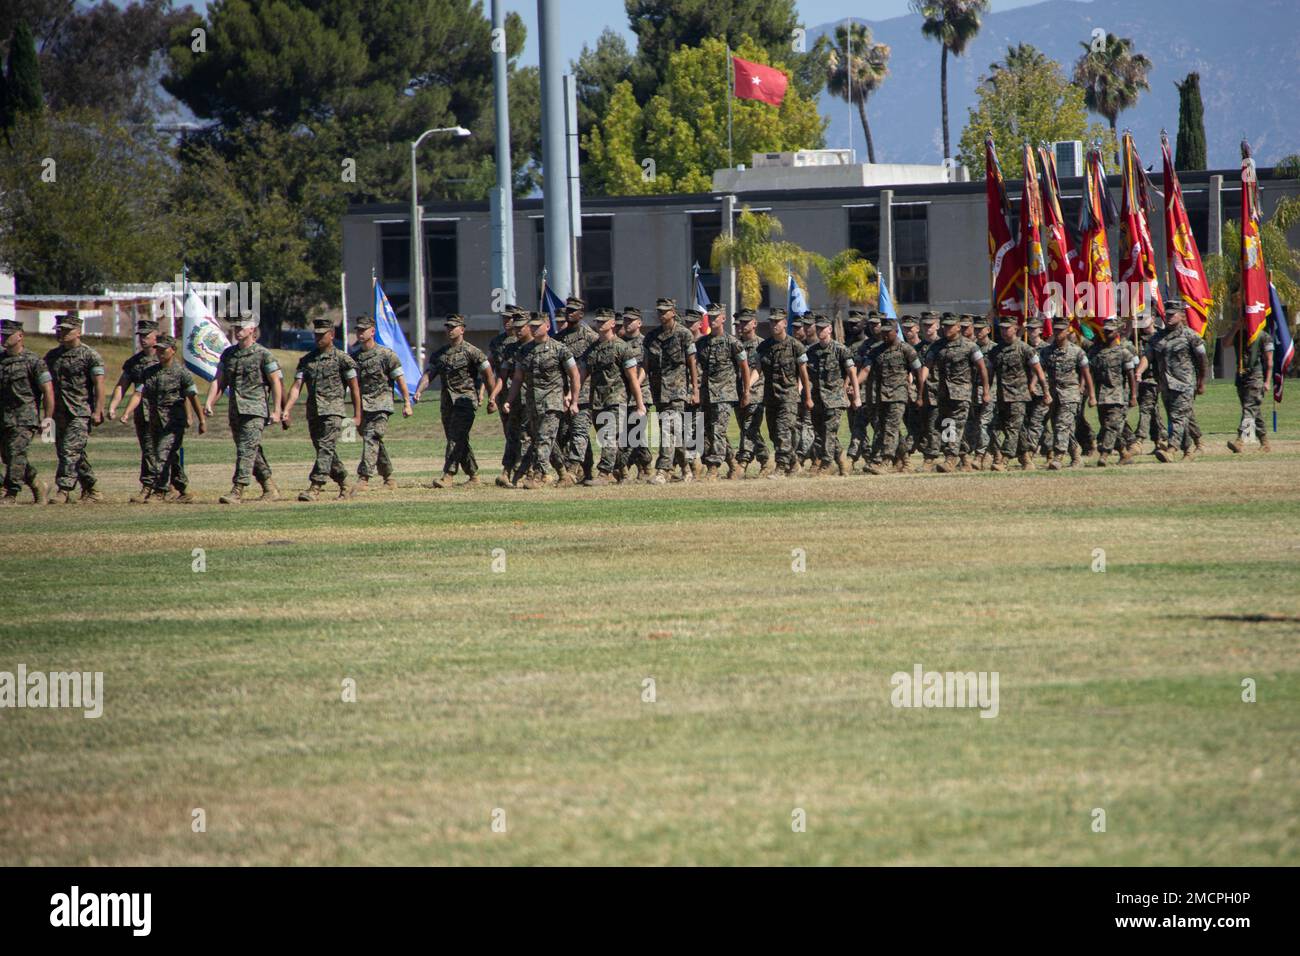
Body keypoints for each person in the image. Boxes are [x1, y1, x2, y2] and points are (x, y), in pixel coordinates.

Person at [206, 309, 283, 504]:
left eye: (241, 327)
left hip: (255, 410)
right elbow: (219, 381)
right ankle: (269, 487)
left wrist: (277, 410)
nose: (237, 330)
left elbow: (275, 382)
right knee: (250, 450)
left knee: (245, 450)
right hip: (235, 411)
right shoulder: (229, 354)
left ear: (252, 329)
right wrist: (209, 402)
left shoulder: (263, 354)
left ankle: (237, 489)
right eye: (235, 327)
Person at [119, 333, 205, 502]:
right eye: (157, 349)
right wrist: (127, 412)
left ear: (173, 350)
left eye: (163, 350)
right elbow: (138, 394)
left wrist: (201, 420)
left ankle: (158, 491)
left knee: (161, 454)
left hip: (174, 423)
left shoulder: (182, 373)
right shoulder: (149, 372)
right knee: (170, 457)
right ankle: (183, 489)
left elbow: (193, 397)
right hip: (155, 422)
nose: (159, 353)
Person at [282, 317, 362, 500]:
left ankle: (315, 487)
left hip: (333, 412)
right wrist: (287, 409)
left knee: (325, 448)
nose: (318, 338)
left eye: (322, 335)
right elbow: (296, 387)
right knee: (325, 451)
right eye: (315, 334)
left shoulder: (343, 359)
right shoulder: (307, 361)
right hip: (313, 412)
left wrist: (357, 415)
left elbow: (355, 389)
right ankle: (344, 483)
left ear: (332, 335)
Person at [414, 314, 495, 487]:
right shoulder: (440, 354)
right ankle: (474, 476)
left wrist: (492, 397)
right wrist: (419, 390)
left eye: (453, 327)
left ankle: (448, 475)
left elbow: (488, 375)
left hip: (465, 400)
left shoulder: (472, 352)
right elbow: (429, 374)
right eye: (448, 327)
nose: (450, 330)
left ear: (462, 329)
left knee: (455, 436)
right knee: (458, 438)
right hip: (447, 403)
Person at [503, 312, 580, 489]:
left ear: (548, 326)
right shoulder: (524, 351)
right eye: (533, 325)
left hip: (552, 402)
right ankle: (563, 474)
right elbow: (517, 378)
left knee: (544, 438)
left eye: (538, 325)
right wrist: (509, 400)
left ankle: (539, 475)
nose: (535, 328)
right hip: (532, 404)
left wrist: (573, 400)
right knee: (544, 440)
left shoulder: (559, 349)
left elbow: (574, 375)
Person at [44, 312, 107, 503]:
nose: (61, 334)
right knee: (69, 452)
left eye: (66, 330)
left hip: (80, 412)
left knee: (70, 451)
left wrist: (98, 410)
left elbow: (99, 385)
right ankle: (92, 489)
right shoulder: (52, 356)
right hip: (59, 413)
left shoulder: (90, 355)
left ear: (78, 331)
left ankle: (63, 490)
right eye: (59, 330)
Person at [1137, 299, 1207, 462]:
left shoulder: (1190, 336)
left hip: (1184, 384)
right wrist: (1139, 371)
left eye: (1172, 315)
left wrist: (1201, 382)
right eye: (1166, 314)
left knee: (1177, 417)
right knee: (1184, 417)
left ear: (1182, 316)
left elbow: (1203, 360)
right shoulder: (1157, 337)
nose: (1168, 317)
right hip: (1165, 385)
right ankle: (1191, 449)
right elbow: (1148, 356)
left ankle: (1171, 449)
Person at [107, 318, 170, 500]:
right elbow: (122, 385)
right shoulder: (134, 362)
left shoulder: (164, 359)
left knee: (166, 451)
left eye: (146, 336)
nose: (142, 339)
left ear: (155, 336)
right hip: (142, 414)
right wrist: (113, 407)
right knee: (149, 450)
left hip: (164, 413)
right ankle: (150, 486)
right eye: (140, 336)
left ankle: (173, 485)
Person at [350, 313, 412, 494]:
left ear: (372, 331)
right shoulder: (355, 358)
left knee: (372, 436)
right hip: (363, 407)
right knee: (375, 441)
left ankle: (364, 478)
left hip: (382, 404)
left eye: (363, 330)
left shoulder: (386, 355)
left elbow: (400, 379)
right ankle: (389, 477)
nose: (360, 333)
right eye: (358, 330)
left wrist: (407, 403)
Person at [582, 308, 644, 485]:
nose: (600, 324)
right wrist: (572, 395)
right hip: (598, 400)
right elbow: (582, 374)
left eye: (603, 321)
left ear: (612, 324)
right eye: (598, 321)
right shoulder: (592, 349)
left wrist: (640, 404)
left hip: (616, 399)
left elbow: (633, 378)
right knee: (605, 439)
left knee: (610, 436)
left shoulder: (622, 347)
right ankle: (621, 471)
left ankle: (603, 474)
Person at [642, 298, 699, 485]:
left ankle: (663, 470)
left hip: (678, 389)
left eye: (665, 311)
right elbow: (646, 366)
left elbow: (692, 364)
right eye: (659, 311)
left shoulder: (684, 334)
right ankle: (686, 467)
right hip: (658, 390)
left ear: (673, 312)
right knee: (675, 432)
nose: (661, 314)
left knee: (669, 428)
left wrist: (694, 390)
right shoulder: (651, 337)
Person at [858, 317, 924, 474]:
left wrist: (920, 396)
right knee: (885, 428)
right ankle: (906, 461)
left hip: (899, 395)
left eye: (888, 333)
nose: (885, 335)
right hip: (881, 396)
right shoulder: (876, 351)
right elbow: (866, 370)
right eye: (883, 333)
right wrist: (854, 385)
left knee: (891, 428)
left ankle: (886, 461)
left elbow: (919, 374)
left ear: (896, 332)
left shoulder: (906, 349)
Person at [0, 319, 54, 505]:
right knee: (9, 457)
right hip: (3, 417)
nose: (4, 338)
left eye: (8, 335)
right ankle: (37, 483)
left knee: (16, 453)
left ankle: (11, 493)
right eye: (2, 334)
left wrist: (47, 419)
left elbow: (48, 391)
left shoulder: (34, 361)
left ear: (20, 336)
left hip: (25, 417)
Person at [987, 316, 1049, 471]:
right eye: (1001, 328)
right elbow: (989, 374)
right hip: (1001, 396)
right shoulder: (996, 350)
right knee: (1017, 429)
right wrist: (987, 392)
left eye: (1007, 328)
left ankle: (1004, 460)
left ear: (1015, 328)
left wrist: (1046, 392)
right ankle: (1026, 459)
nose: (1003, 331)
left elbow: (1039, 372)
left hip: (1019, 396)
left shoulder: (1025, 349)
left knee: (1013, 429)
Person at [757, 307, 812, 477]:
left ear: (784, 323)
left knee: (783, 431)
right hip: (770, 396)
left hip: (788, 396)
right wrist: (748, 386)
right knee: (774, 433)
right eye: (771, 321)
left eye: (777, 322)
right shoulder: (764, 346)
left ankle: (780, 467)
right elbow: (757, 369)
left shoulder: (796, 346)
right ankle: (794, 463)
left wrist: (808, 397)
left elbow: (804, 374)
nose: (773, 324)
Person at [696, 305, 750, 480]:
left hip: (725, 394)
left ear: (723, 319)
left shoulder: (733, 343)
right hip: (707, 394)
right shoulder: (702, 343)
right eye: (709, 317)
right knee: (710, 431)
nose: (712, 320)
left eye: (715, 317)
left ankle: (713, 466)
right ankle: (733, 464)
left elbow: (744, 368)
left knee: (718, 430)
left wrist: (746, 391)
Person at [933, 313, 989, 473]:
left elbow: (982, 368)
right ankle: (965, 460)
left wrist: (985, 391)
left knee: (955, 425)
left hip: (962, 394)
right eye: (945, 326)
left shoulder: (970, 346)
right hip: (943, 394)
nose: (947, 329)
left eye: (950, 326)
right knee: (946, 425)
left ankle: (950, 459)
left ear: (958, 327)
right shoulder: (938, 346)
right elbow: (927, 365)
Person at [805, 315, 859, 476]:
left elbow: (852, 372)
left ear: (830, 329)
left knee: (829, 430)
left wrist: (856, 396)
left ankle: (827, 464)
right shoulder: (811, 351)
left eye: (824, 328)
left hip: (835, 399)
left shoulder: (840, 349)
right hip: (817, 399)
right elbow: (805, 375)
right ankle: (843, 461)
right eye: (818, 328)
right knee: (822, 433)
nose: (821, 331)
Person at [555, 297, 598, 483]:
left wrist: (574, 393)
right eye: (567, 310)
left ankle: (572, 471)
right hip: (563, 394)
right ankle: (586, 470)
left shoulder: (591, 337)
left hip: (585, 393)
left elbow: (591, 368)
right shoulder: (558, 338)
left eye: (573, 310)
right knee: (565, 434)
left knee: (579, 430)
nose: (569, 313)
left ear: (581, 314)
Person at [1041, 320, 1094, 471]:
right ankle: (1077, 457)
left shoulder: (1077, 351)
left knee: (1061, 425)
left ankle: (1058, 457)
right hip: (1054, 394)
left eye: (1061, 330)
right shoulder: (1046, 351)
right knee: (1064, 428)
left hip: (1070, 394)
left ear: (1068, 331)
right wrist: (1039, 388)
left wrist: (1091, 395)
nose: (1057, 333)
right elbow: (1040, 371)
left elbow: (1086, 373)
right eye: (1055, 330)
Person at [491, 313, 533, 486]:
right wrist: (494, 395)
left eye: (520, 327)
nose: (516, 330)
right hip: (514, 399)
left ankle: (527, 472)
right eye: (515, 327)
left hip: (533, 399)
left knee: (529, 436)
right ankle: (508, 471)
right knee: (512, 435)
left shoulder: (539, 346)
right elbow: (503, 376)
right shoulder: (510, 349)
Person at [1089, 317, 1137, 466]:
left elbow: (1130, 376)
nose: (1107, 333)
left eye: (1111, 331)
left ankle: (1104, 454)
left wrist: (1134, 395)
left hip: (1118, 396)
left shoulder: (1124, 352)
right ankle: (1124, 453)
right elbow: (1089, 371)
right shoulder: (1097, 352)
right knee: (1108, 427)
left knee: (1111, 426)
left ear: (1117, 332)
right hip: (1102, 396)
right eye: (1106, 331)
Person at [616, 306, 654, 482]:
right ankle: (641, 466)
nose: (627, 323)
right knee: (627, 432)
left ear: (639, 322)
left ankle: (644, 464)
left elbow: (646, 367)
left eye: (631, 320)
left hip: (642, 392)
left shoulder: (646, 343)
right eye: (625, 320)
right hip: (623, 395)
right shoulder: (619, 342)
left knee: (636, 431)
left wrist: (636, 384)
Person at [1228, 313, 1274, 454]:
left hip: (1256, 377)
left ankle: (1241, 441)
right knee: (1254, 410)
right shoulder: (1238, 334)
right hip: (1241, 377)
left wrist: (1267, 381)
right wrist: (1235, 328)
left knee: (1248, 409)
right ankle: (1265, 443)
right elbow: (1225, 344)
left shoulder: (1263, 336)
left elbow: (1269, 362)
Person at [733, 308, 770, 478]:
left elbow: (759, 370)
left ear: (754, 323)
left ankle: (742, 463)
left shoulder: (762, 345)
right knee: (748, 429)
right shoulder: (736, 344)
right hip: (738, 393)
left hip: (756, 393)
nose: (742, 325)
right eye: (740, 322)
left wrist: (748, 389)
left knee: (749, 428)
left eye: (746, 322)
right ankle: (765, 459)